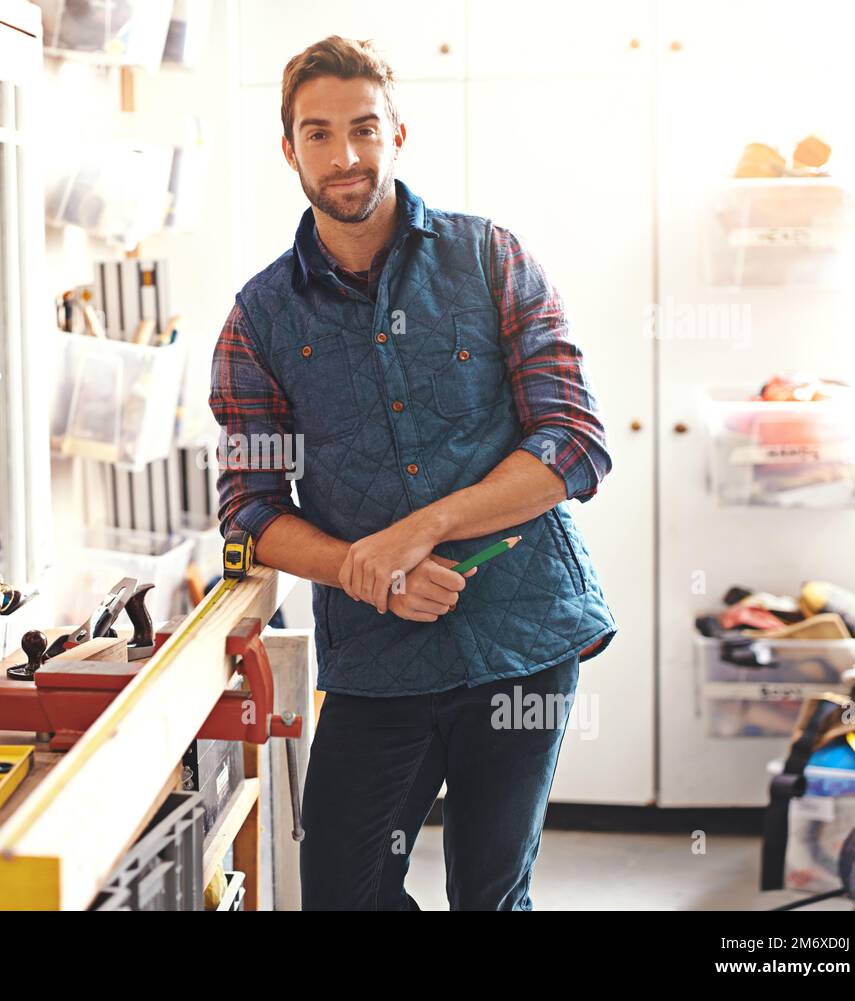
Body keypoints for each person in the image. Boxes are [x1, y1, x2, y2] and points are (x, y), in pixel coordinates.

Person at [208, 35, 617, 910]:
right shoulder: (261, 318)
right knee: (341, 893)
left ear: (399, 133)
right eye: (318, 134)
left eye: (364, 128)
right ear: (290, 150)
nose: (345, 156)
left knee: (489, 895)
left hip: (524, 635)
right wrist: (370, 573)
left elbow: (573, 442)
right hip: (377, 654)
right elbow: (249, 507)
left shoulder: (490, 258)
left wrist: (419, 529)